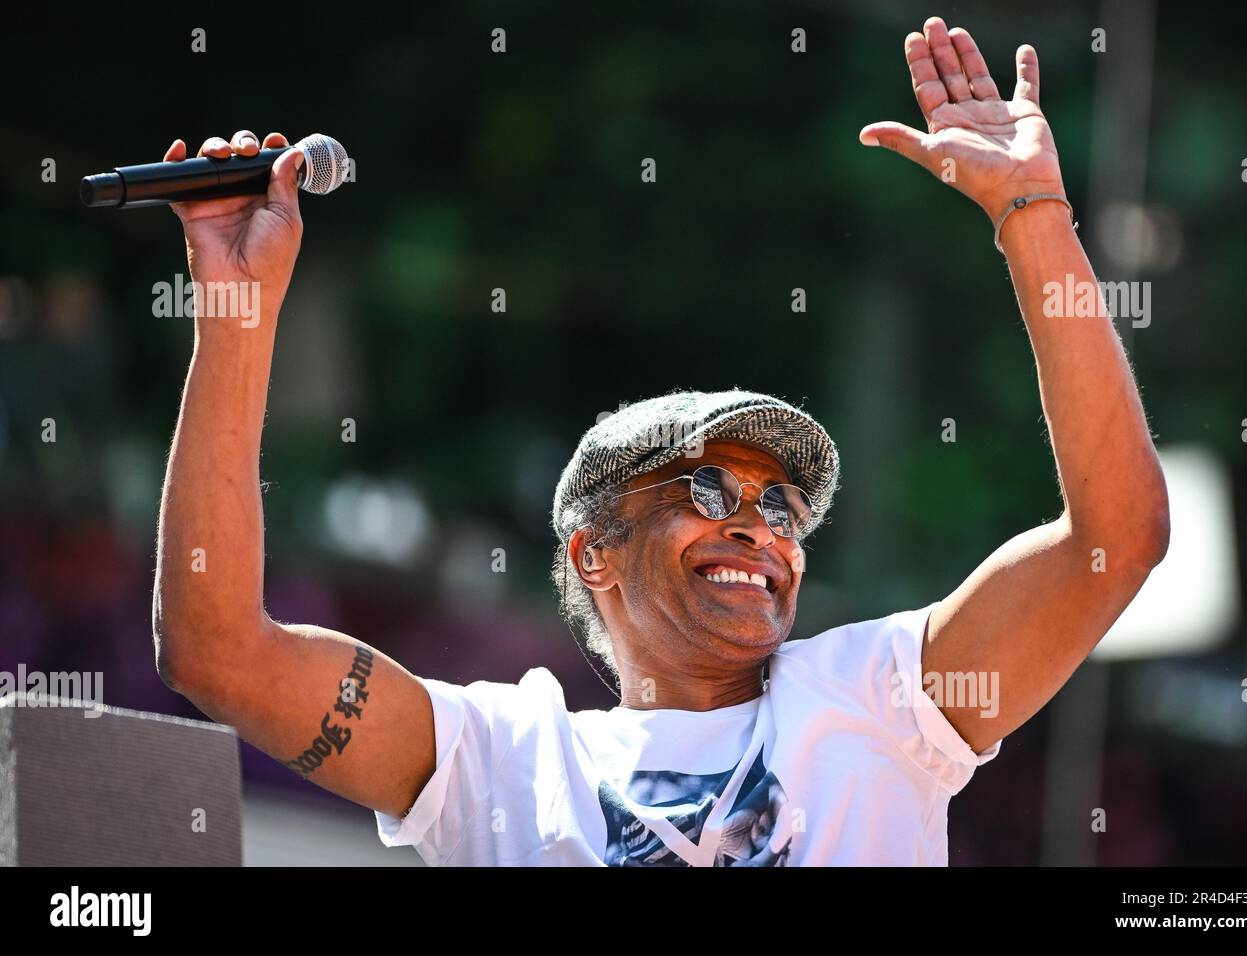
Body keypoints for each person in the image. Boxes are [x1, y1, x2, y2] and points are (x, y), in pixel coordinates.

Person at [152, 18, 1169, 866]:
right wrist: (235, 319)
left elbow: (1113, 540)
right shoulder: (498, 755)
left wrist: (1032, 214)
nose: (758, 528)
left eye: (781, 507)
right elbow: (217, 652)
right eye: (710, 489)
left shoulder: (880, 696)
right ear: (594, 549)